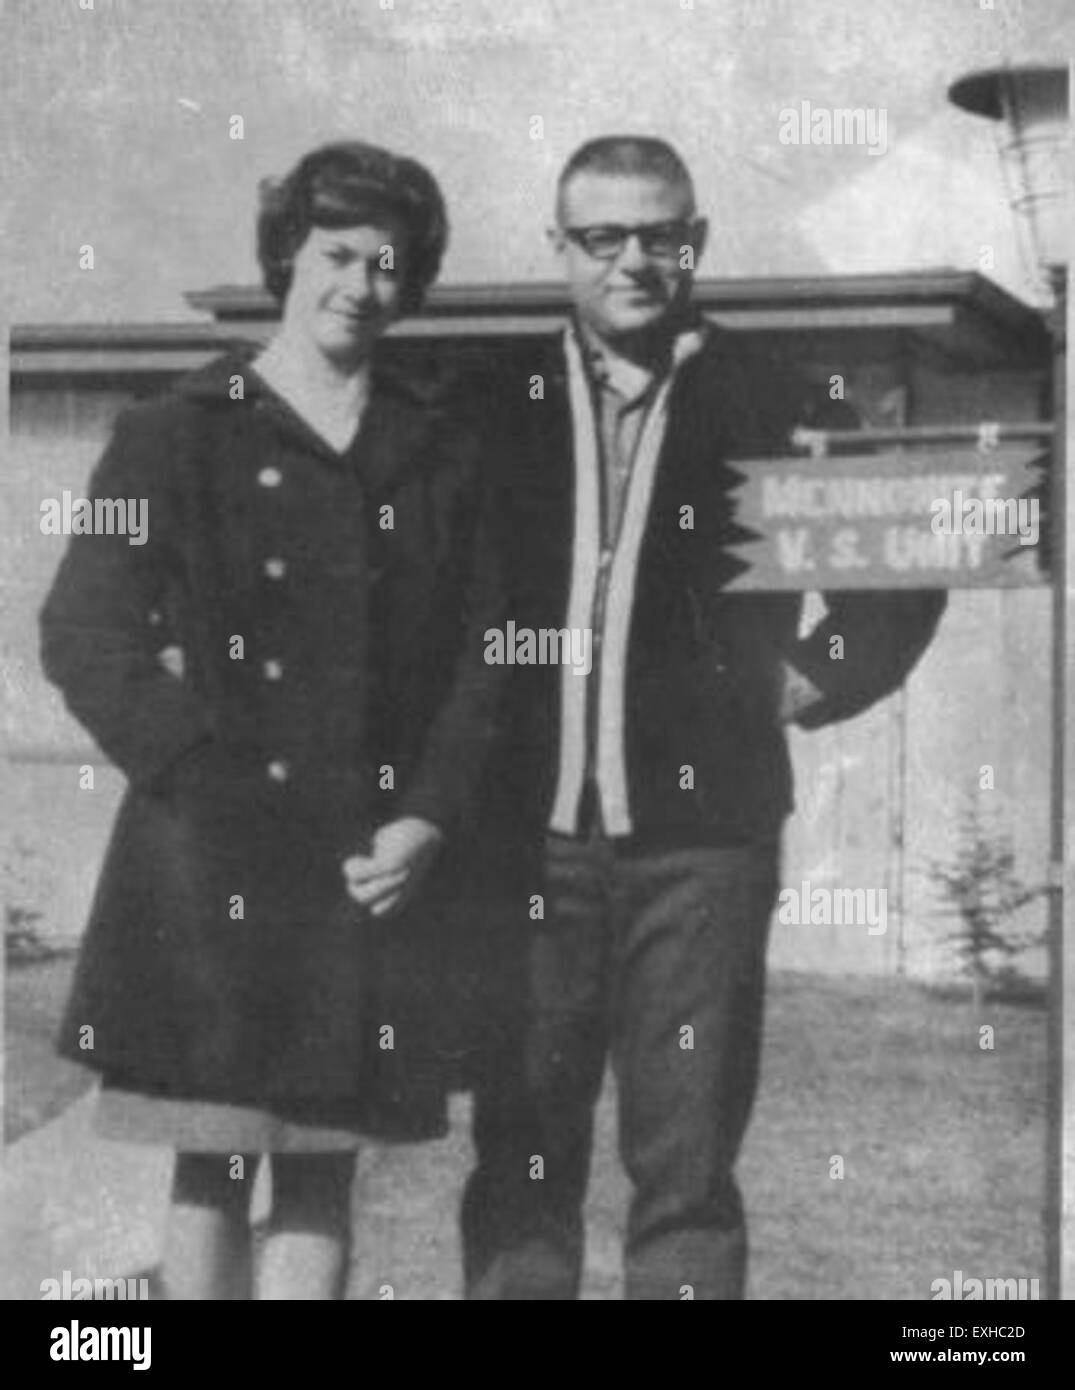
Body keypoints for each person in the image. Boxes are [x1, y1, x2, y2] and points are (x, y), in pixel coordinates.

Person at [460, 135, 947, 1300]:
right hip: (527, 842)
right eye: (602, 236)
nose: (633, 259)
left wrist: (807, 678)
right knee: (523, 1159)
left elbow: (903, 560)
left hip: (703, 848)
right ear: (558, 247)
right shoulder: (488, 398)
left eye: (659, 234)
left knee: (683, 1172)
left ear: (698, 242)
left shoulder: (777, 392)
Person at [39, 141, 504, 1300]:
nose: (360, 284)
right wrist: (199, 775)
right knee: (210, 1160)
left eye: (389, 264)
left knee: (319, 1170)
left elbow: (483, 660)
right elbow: (85, 632)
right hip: (208, 861)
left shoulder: (440, 449)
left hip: (367, 862)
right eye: (338, 253)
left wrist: (430, 817)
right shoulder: (179, 429)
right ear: (288, 256)